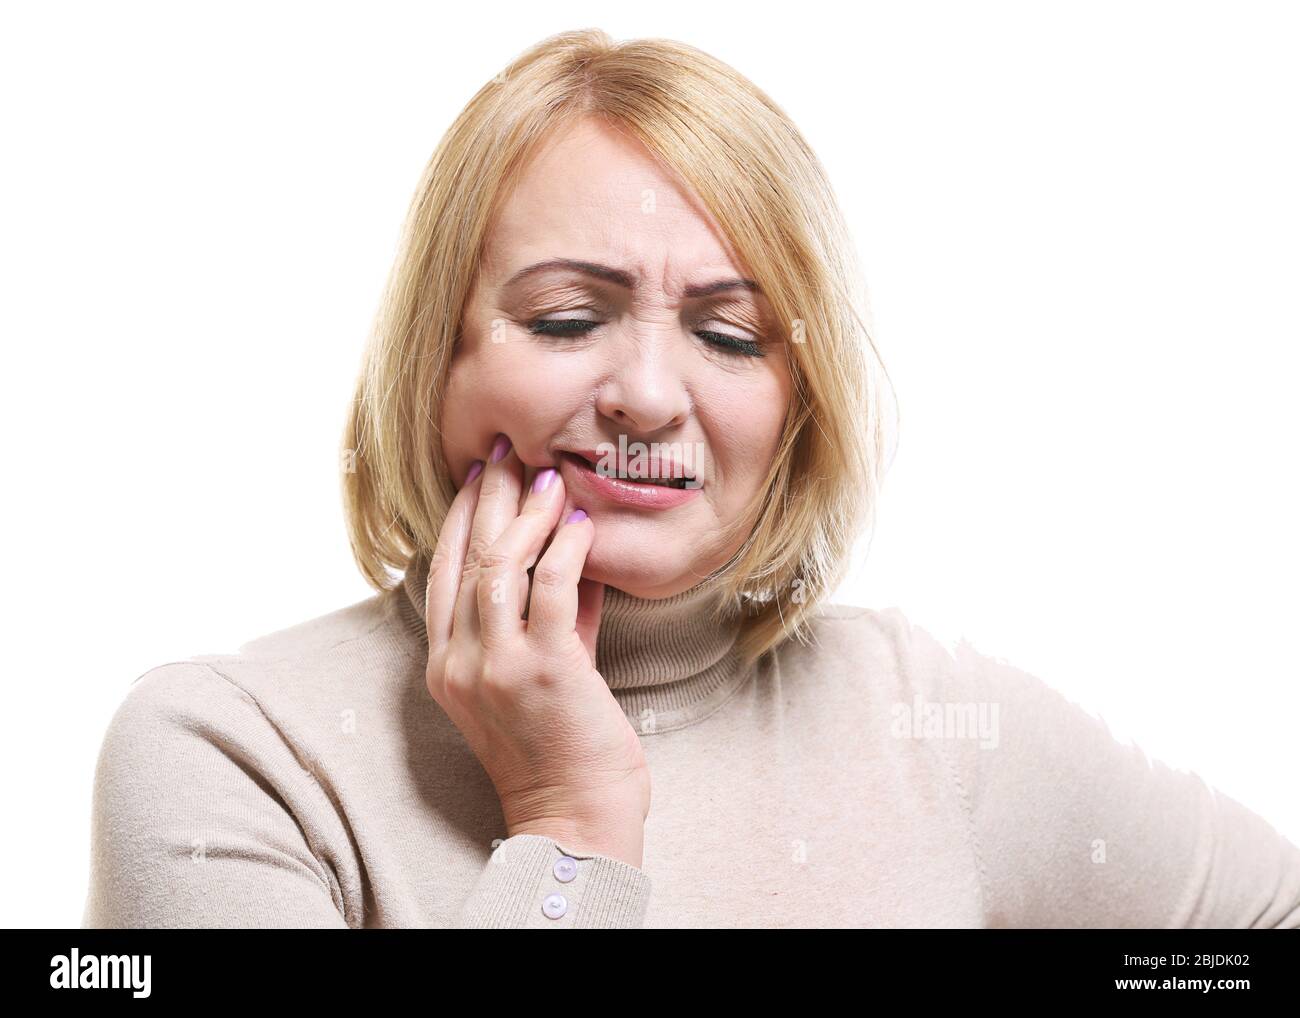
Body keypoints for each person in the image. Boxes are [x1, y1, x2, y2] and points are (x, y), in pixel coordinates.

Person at [81, 28, 1300, 929]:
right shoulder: (233, 754)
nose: (652, 395)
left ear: (794, 401)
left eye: (729, 335)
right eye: (566, 318)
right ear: (434, 363)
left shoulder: (933, 723)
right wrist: (567, 824)